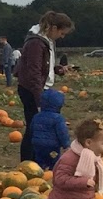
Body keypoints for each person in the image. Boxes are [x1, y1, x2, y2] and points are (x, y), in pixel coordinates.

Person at [17, 10, 74, 162]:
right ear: (54, 28)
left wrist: (57, 69)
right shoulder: (36, 42)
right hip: (32, 90)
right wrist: (39, 99)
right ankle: (27, 163)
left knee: (37, 126)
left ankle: (35, 160)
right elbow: (34, 72)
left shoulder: (45, 40)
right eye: (62, 33)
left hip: (38, 89)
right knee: (34, 127)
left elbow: (42, 67)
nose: (62, 37)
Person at [29, 88, 72, 169]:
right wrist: (66, 145)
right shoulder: (58, 118)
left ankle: (39, 171)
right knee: (53, 162)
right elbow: (62, 133)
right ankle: (51, 172)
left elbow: (31, 129)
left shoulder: (37, 116)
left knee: (39, 160)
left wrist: (33, 139)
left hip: (37, 144)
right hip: (52, 146)